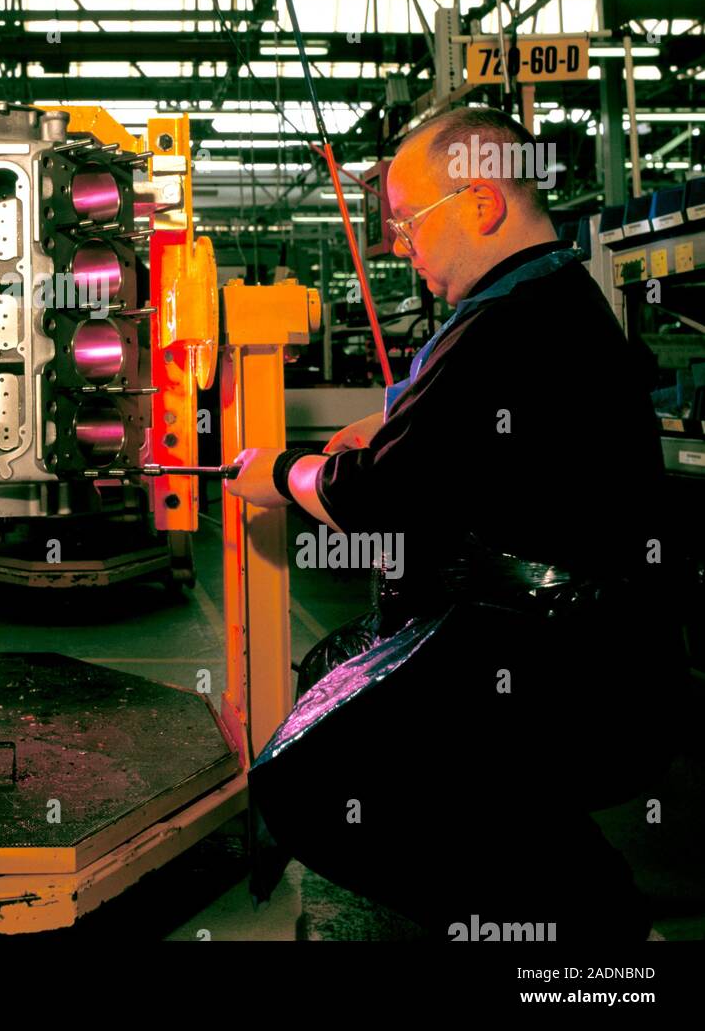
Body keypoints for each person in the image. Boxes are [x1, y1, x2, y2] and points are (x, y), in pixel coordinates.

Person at [230, 106, 687, 942]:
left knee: (306, 778)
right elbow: (471, 446)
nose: (400, 244)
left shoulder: (510, 321)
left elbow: (380, 499)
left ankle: (567, 933)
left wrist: (278, 472)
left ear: (479, 203)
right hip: (581, 643)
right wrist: (394, 428)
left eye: (408, 221)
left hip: (563, 660)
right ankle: (578, 902)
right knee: (337, 670)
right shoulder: (542, 299)